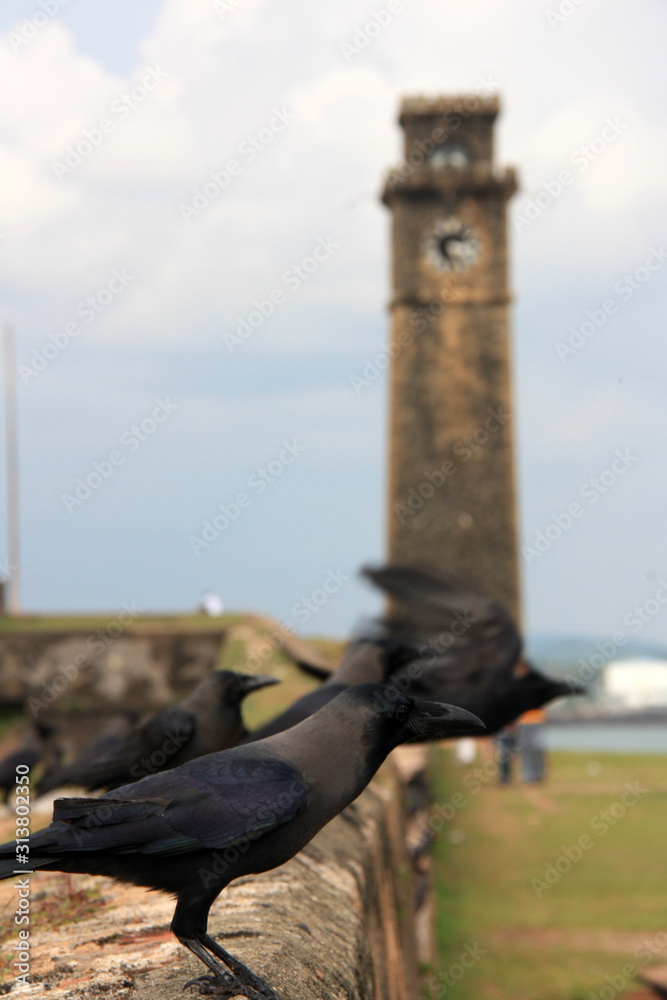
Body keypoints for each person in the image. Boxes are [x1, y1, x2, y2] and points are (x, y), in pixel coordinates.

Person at [516, 708, 547, 782]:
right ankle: (529, 775)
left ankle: (536, 774)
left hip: (535, 719)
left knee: (535, 748)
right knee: (526, 749)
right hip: (524, 720)